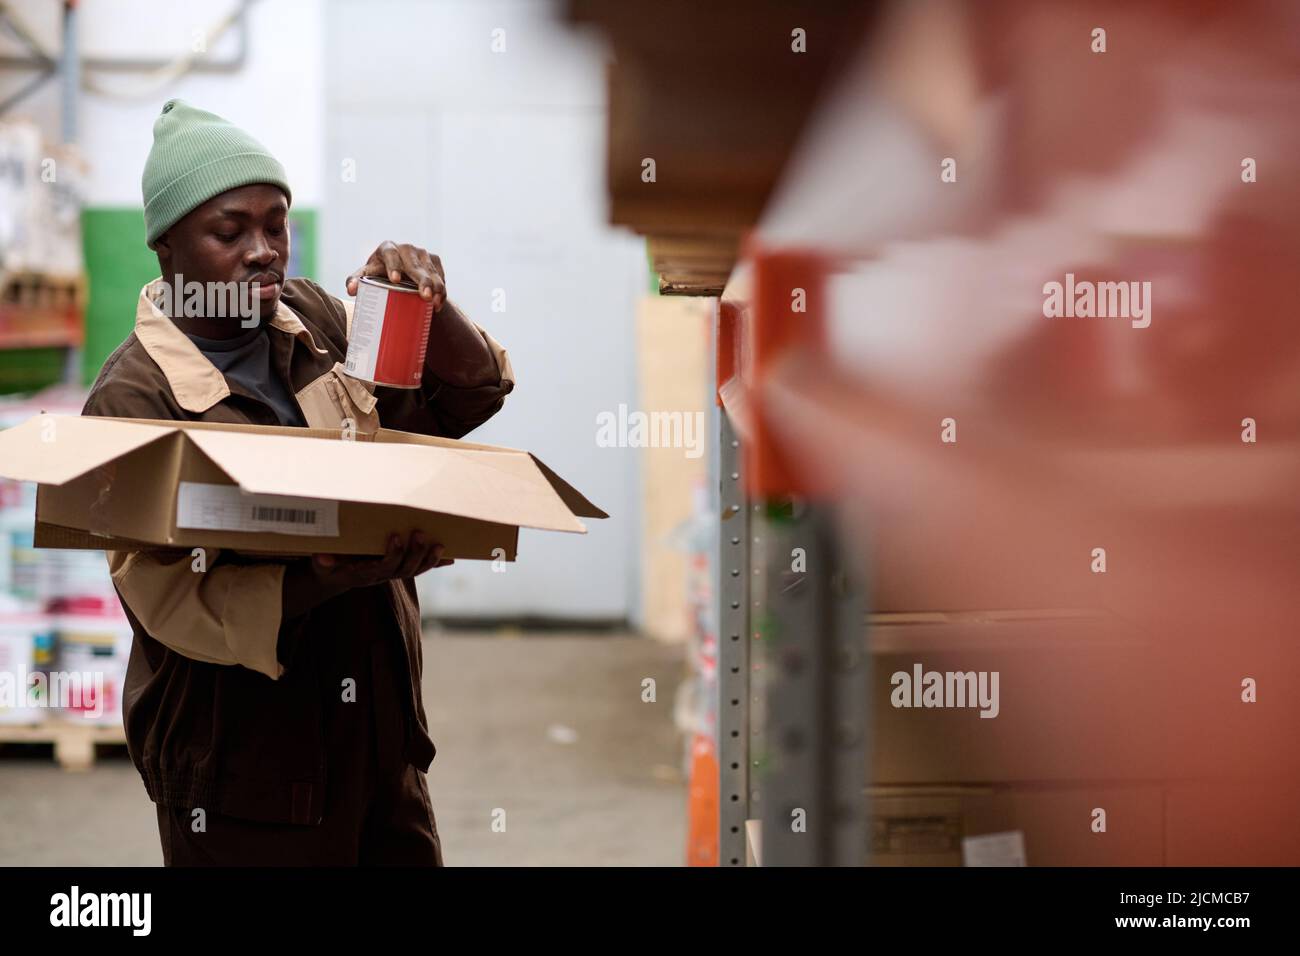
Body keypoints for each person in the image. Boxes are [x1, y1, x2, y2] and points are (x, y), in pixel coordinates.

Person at [81, 99, 515, 866]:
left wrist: (432, 309)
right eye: (231, 231)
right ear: (167, 248)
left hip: (381, 736)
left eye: (275, 224)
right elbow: (170, 603)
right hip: (242, 764)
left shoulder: (314, 318)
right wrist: (325, 579)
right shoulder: (133, 401)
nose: (263, 252)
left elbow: (462, 401)